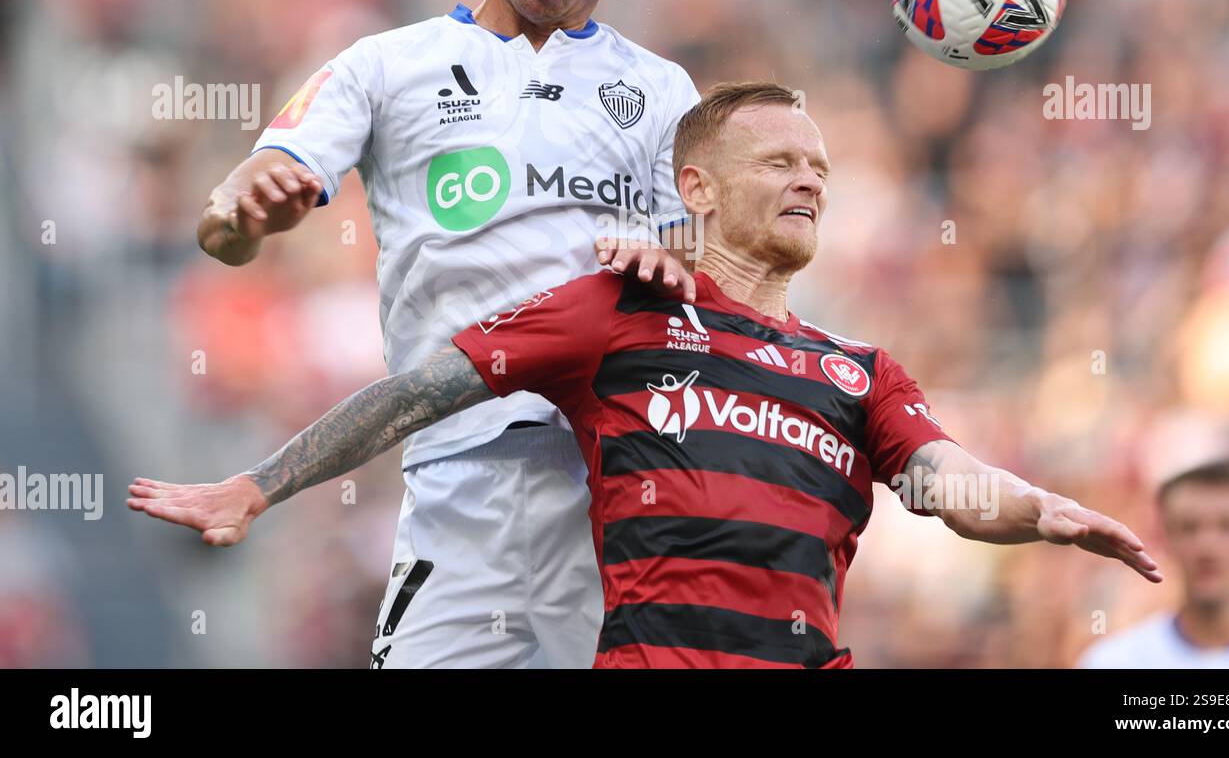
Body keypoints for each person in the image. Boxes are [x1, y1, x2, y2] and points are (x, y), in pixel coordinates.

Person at [132, 81, 1162, 668]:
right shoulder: (616, 313)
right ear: (699, 187)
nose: (809, 178)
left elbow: (943, 482)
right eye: (780, 161)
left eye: (821, 168)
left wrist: (1039, 510)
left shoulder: (858, 371)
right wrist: (259, 482)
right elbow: (415, 393)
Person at [184, 0, 703, 668]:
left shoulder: (659, 90)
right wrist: (242, 213)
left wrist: (672, 251)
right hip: (454, 468)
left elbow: (696, 251)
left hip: (613, 473)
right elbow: (228, 224)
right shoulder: (383, 66)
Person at [1077, 459, 1229, 668]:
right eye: (1189, 528)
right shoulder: (1116, 661)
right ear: (1166, 543)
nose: (1207, 547)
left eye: (1227, 526)